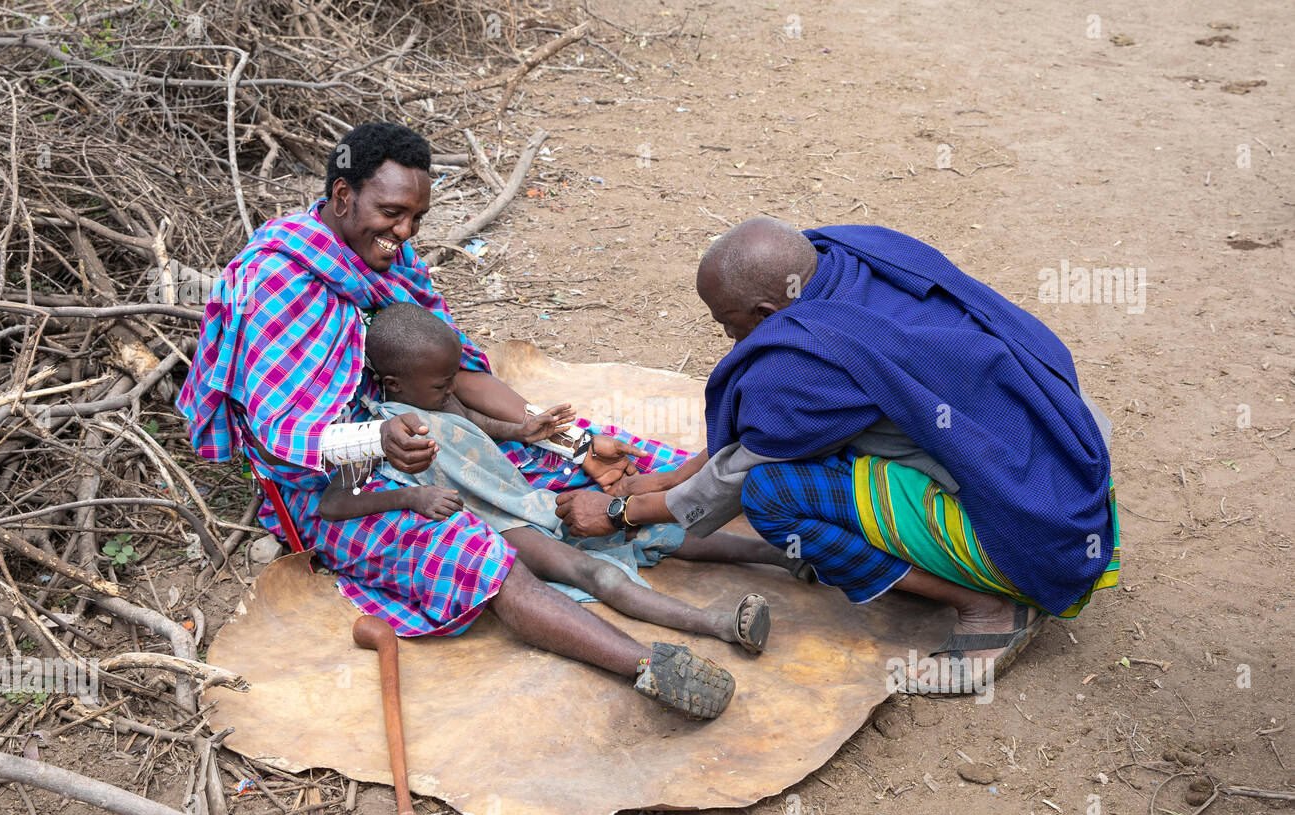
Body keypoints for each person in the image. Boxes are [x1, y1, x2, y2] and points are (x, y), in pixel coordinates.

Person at [177, 121, 740, 720]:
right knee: (478, 555)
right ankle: (649, 668)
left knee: (616, 456)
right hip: (335, 486)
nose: (404, 233)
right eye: (392, 213)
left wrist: (557, 435)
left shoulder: (386, 260)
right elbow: (281, 438)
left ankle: (788, 528)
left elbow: (454, 374)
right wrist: (379, 440)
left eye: (416, 218)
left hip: (424, 429)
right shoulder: (275, 283)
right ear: (343, 197)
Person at [555, 217, 1120, 694]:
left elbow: (742, 470)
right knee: (809, 443)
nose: (728, 338)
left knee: (772, 496)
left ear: (763, 307)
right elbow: (771, 426)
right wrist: (669, 477)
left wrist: (619, 514)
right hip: (1063, 460)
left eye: (727, 324)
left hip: (1031, 527)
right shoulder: (853, 250)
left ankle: (992, 608)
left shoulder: (803, 360)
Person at [316, 300, 780, 654]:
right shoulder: (383, 431)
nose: (452, 390)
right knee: (594, 572)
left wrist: (520, 430)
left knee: (651, 528)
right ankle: (717, 625)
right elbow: (332, 505)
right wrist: (410, 500)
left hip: (524, 496)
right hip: (498, 524)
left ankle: (781, 557)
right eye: (441, 385)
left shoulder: (442, 397)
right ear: (394, 384)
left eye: (452, 379)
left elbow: (475, 428)